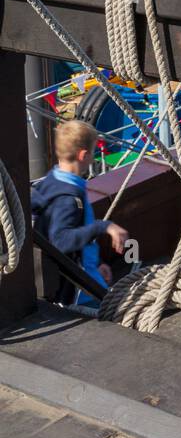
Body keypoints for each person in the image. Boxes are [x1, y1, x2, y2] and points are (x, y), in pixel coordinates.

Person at [31, 120, 128, 308]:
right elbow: (60, 241)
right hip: (80, 292)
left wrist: (98, 262)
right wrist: (104, 226)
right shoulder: (67, 199)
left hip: (88, 274)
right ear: (84, 155)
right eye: (92, 152)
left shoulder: (52, 181)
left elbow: (76, 230)